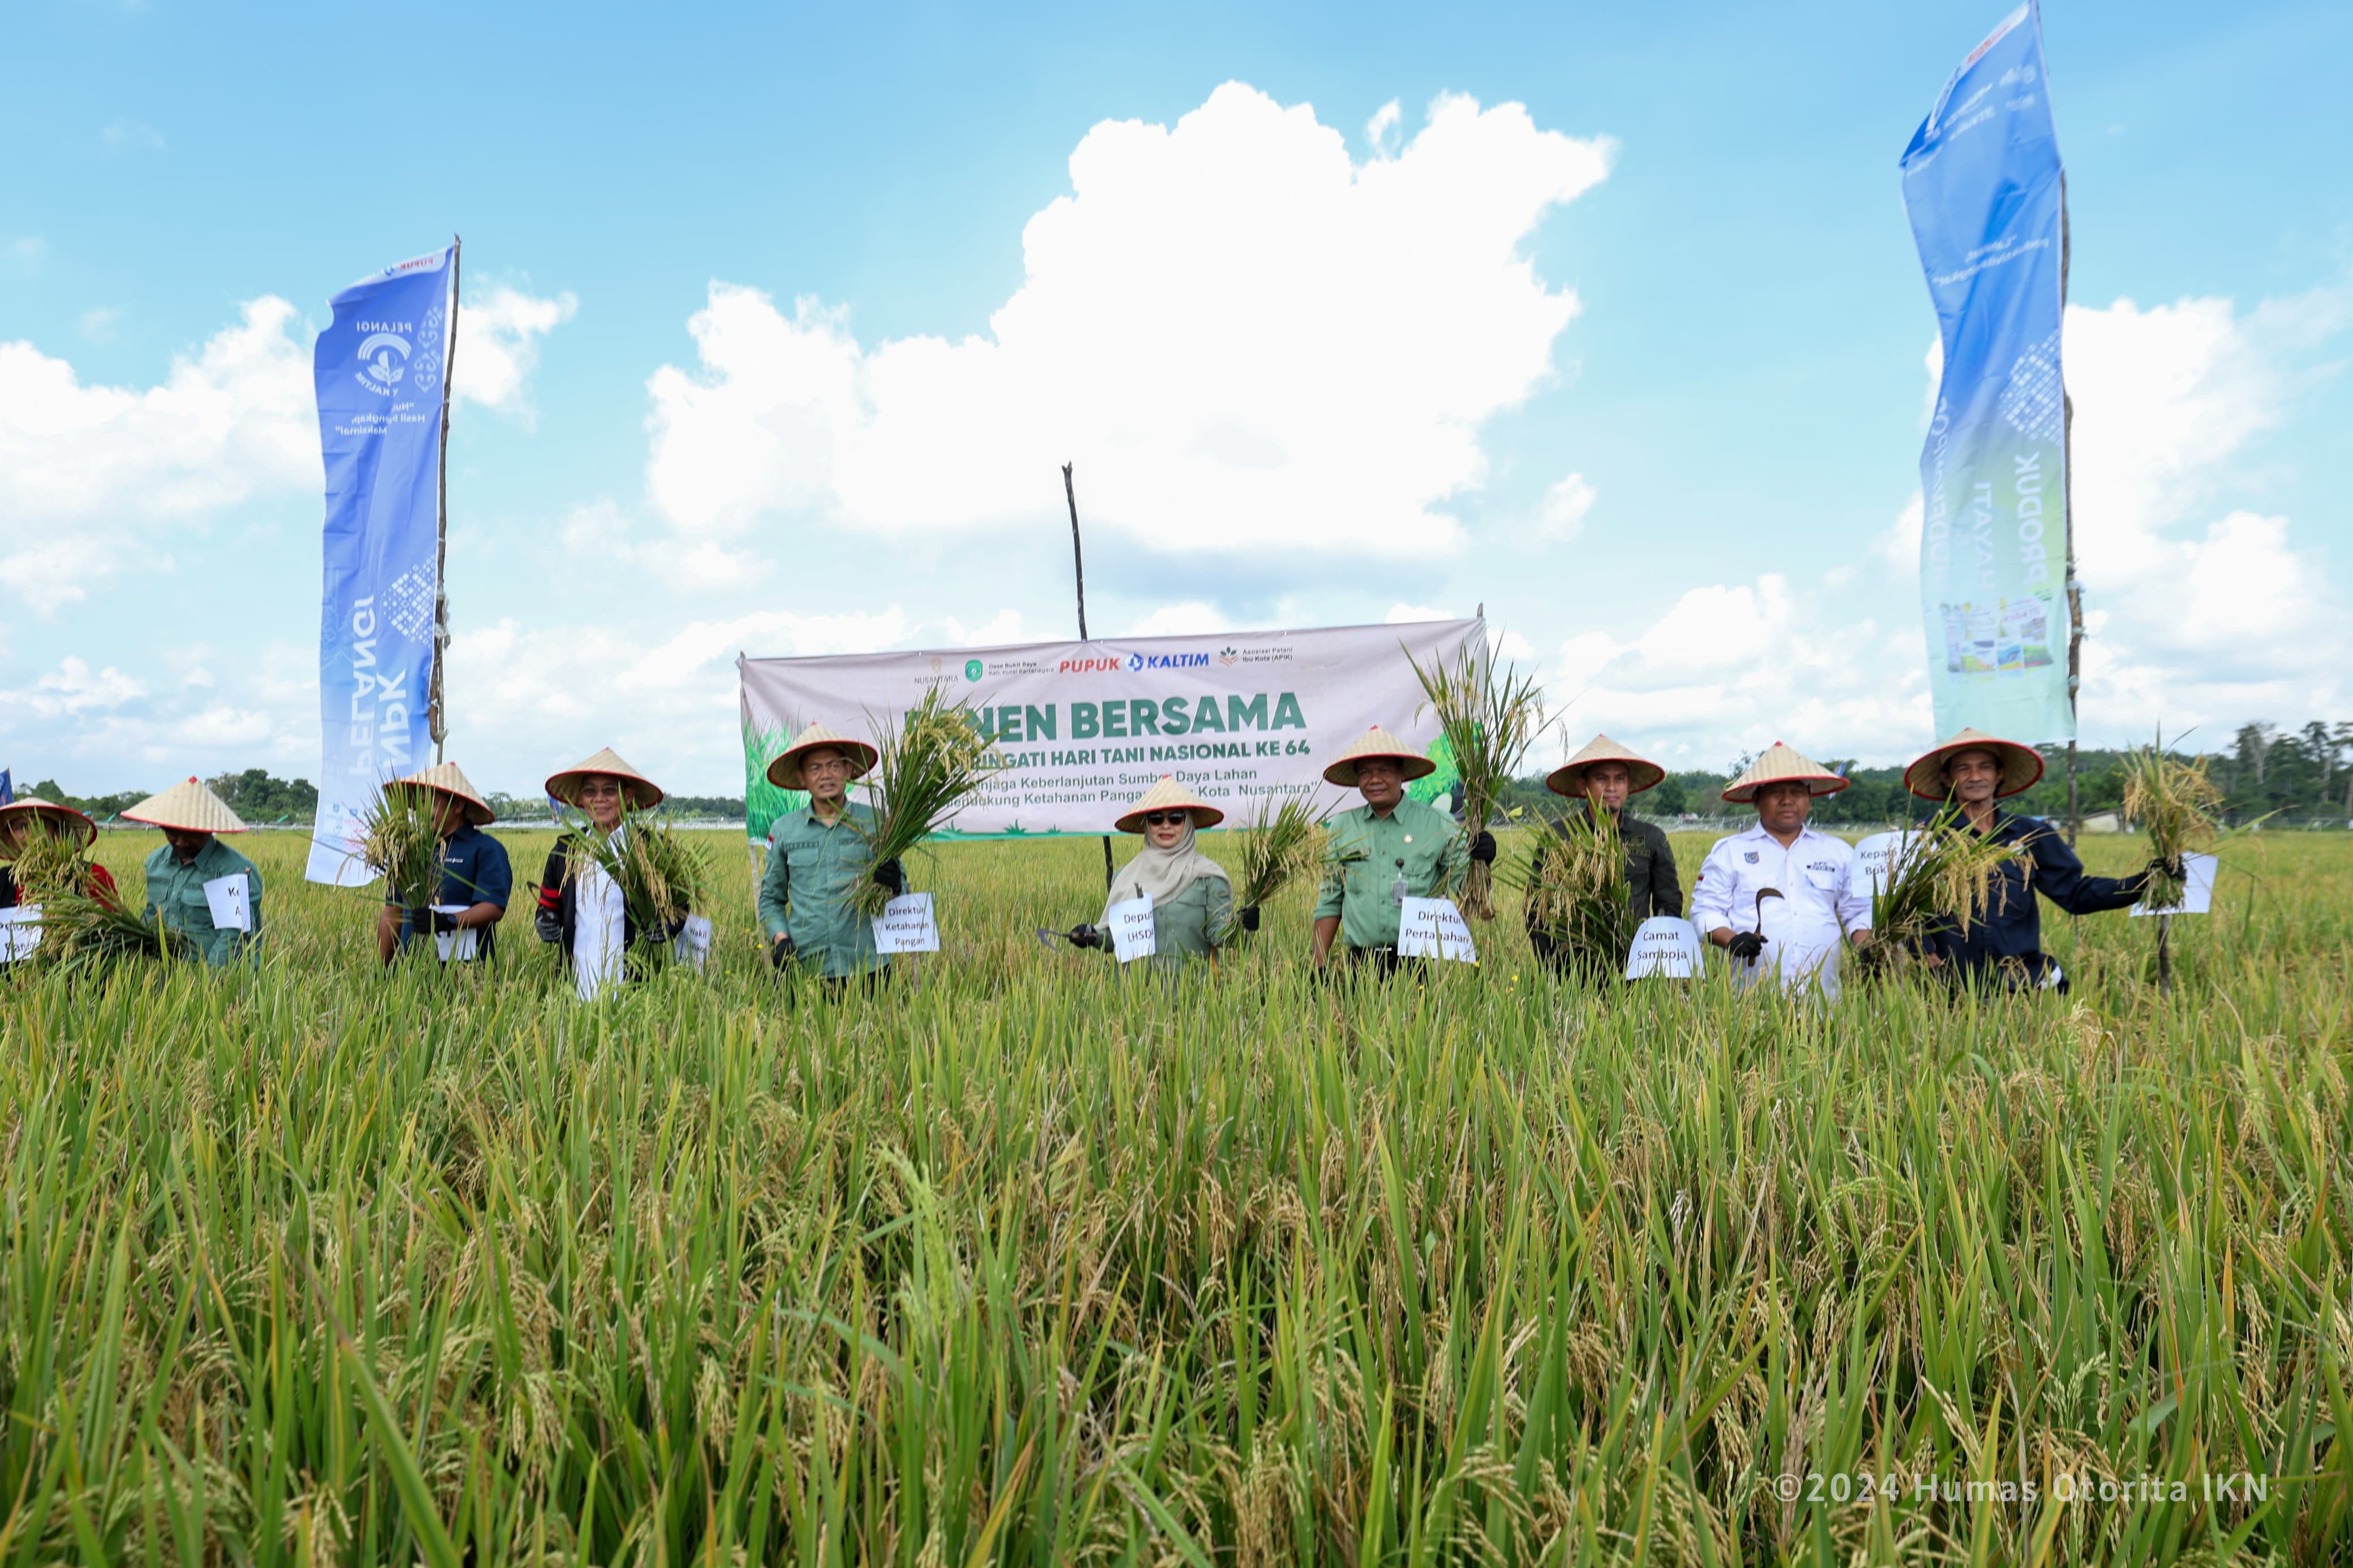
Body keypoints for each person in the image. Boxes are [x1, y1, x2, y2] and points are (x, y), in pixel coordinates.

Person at [1903, 727, 2161, 992]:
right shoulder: (1925, 837)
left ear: (1999, 774)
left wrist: (2142, 884)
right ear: (1947, 778)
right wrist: (1921, 949)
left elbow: (2074, 893)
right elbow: (1901, 904)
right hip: (1950, 981)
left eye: (1985, 767)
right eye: (1963, 769)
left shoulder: (2030, 835)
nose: (1976, 777)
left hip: (2020, 978)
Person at [1691, 743, 1871, 1000]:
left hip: (1825, 1001)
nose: (1788, 800)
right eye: (1776, 793)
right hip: (1750, 1001)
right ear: (1756, 800)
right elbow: (1705, 910)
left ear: (1809, 800)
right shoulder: (1730, 852)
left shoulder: (1838, 852)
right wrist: (1731, 940)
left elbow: (1859, 912)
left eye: (1797, 792)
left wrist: (1870, 950)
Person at [1310, 725, 1491, 975]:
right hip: (1362, 967)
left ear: (1401, 773)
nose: (1374, 780)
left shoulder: (1439, 824)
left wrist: (1482, 862)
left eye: (1384, 770)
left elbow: (1470, 894)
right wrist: (1317, 967)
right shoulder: (1343, 827)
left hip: (1424, 965)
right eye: (1365, 773)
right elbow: (1330, 902)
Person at [759, 721, 904, 994]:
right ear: (802, 777)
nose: (825, 775)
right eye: (815, 768)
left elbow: (903, 891)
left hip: (869, 966)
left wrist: (896, 884)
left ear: (848, 771)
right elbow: (770, 899)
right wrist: (780, 939)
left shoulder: (876, 822)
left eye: (834, 766)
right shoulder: (784, 830)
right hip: (806, 967)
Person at [1525, 734, 1682, 978]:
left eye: (1620, 779)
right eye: (1602, 779)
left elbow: (1669, 905)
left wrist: (1658, 960)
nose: (1612, 788)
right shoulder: (1560, 836)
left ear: (1628, 784)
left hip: (1636, 964)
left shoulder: (1651, 838)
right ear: (1582, 785)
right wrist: (1551, 967)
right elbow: (1537, 907)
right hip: (1572, 966)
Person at [535, 747, 678, 999]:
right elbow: (548, 904)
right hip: (576, 981)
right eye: (590, 791)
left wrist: (668, 926)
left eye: (610, 790)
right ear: (581, 798)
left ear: (629, 795)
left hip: (636, 983)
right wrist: (546, 920)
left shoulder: (652, 848)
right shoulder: (566, 850)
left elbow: (680, 905)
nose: (599, 799)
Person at [1066, 776, 1235, 970]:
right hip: (1133, 993)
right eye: (1156, 819)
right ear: (1147, 825)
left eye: (1176, 818)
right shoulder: (1125, 877)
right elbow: (1115, 938)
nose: (1166, 825)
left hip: (1193, 993)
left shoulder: (1208, 877)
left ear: (1188, 824)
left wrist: (1241, 926)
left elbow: (1220, 935)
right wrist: (1092, 936)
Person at [373, 762, 511, 968]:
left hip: (466, 973)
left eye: (431, 803)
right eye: (420, 803)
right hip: (409, 972)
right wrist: (381, 969)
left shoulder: (485, 849)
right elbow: (393, 912)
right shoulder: (409, 851)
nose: (423, 811)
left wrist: (448, 921)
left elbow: (493, 908)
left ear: (458, 806)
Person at [122, 776, 263, 966]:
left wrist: (205, 985)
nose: (181, 842)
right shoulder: (157, 862)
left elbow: (234, 937)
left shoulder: (233, 870)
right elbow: (151, 916)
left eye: (191, 835)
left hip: (215, 976)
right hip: (161, 972)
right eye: (172, 833)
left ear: (209, 830)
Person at [0, 797, 118, 908]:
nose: (33, 835)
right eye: (22, 827)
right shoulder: (2, 881)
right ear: (8, 836)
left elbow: (112, 924)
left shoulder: (92, 876)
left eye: (42, 826)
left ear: (58, 832)